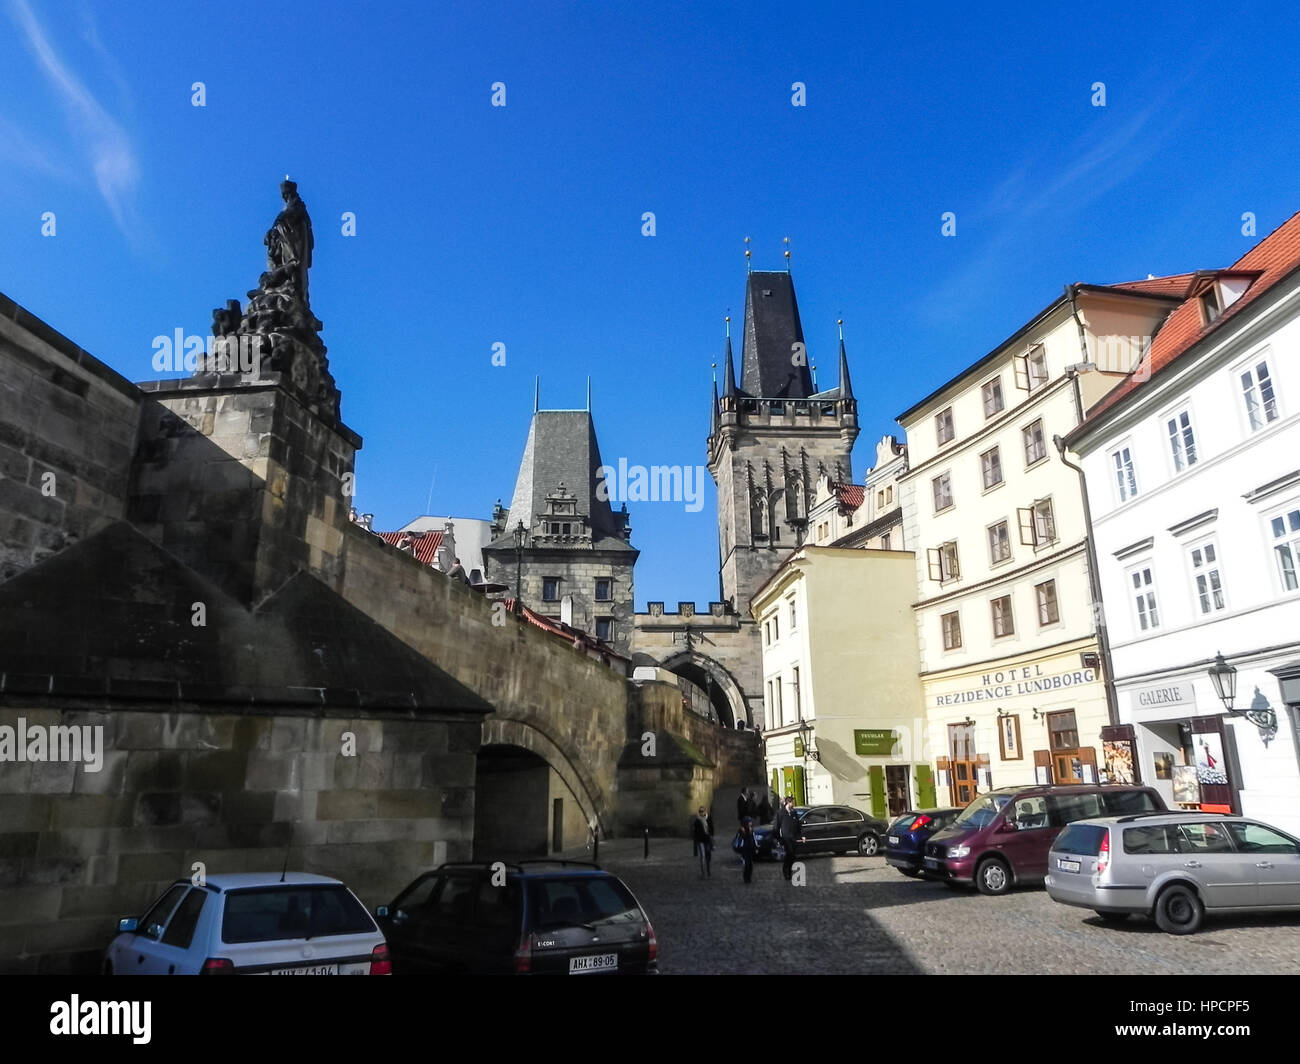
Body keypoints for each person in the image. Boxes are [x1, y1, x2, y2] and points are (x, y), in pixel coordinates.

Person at [774, 796, 805, 882]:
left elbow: (799, 824)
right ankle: (786, 871)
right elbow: (776, 827)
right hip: (785, 838)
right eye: (792, 803)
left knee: (792, 856)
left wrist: (802, 835)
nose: (793, 804)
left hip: (793, 837)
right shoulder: (780, 813)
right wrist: (777, 838)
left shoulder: (794, 812)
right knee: (789, 853)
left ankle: (789, 870)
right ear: (788, 803)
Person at [691, 806, 714, 878]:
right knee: (702, 856)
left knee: (708, 856)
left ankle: (708, 871)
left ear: (705, 811)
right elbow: (695, 832)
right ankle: (703, 873)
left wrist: (711, 836)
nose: (701, 813)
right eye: (700, 811)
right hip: (700, 840)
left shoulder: (708, 818)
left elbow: (712, 828)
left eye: (702, 811)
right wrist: (695, 840)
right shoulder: (697, 821)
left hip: (707, 840)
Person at [736, 817, 758, 884]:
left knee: (750, 865)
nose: (750, 823)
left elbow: (753, 839)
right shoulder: (742, 830)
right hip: (744, 850)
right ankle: (746, 878)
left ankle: (749, 877)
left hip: (750, 849)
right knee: (747, 864)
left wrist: (755, 847)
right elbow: (741, 840)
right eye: (749, 822)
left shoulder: (751, 830)